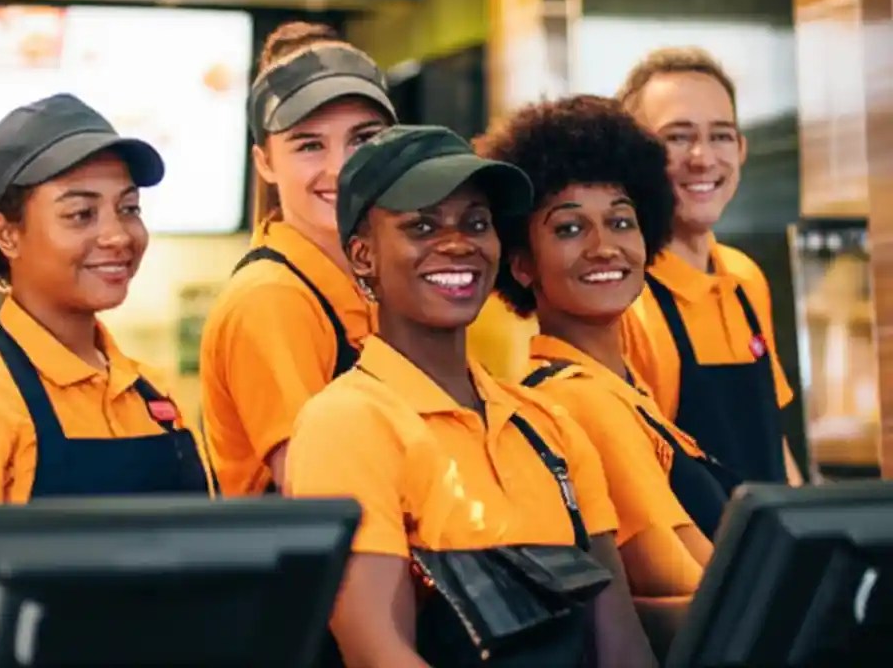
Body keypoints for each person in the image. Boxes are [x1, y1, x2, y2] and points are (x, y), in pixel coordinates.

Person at [287, 125, 656, 668]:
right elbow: (379, 653)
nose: (457, 243)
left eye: (476, 223)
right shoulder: (347, 424)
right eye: (422, 226)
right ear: (363, 256)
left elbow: (621, 646)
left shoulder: (547, 427)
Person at [475, 95, 741, 653]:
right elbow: (681, 578)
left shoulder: (624, 390)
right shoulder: (578, 400)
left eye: (621, 221)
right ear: (522, 264)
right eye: (570, 229)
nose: (605, 247)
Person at [0, 93, 213, 509]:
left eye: (129, 208)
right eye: (81, 214)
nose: (118, 236)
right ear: (7, 234)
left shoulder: (154, 395)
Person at [199, 22, 395, 496]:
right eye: (309, 145)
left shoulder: (368, 280)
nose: (341, 168)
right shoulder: (273, 299)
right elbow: (318, 489)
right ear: (264, 162)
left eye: (362, 139)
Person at [615, 47, 801, 485]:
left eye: (720, 135)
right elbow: (638, 485)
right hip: (694, 553)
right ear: (634, 155)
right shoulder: (625, 299)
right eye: (677, 137)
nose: (702, 157)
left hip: (771, 547)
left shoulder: (745, 278)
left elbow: (773, 442)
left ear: (740, 148)